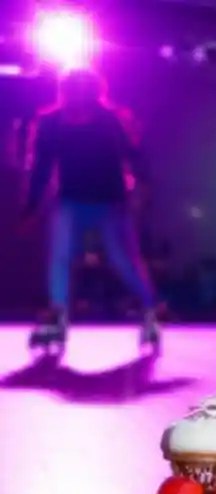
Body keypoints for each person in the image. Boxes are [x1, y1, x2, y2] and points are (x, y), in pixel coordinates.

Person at [23, 68, 161, 350]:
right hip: (71, 200)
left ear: (95, 96)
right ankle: (58, 315)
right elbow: (41, 167)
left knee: (122, 259)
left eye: (84, 93)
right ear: (64, 95)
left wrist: (144, 186)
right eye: (72, 92)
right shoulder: (51, 124)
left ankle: (149, 310)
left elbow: (132, 155)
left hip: (110, 202)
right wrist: (32, 204)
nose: (77, 99)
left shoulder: (109, 121)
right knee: (60, 256)